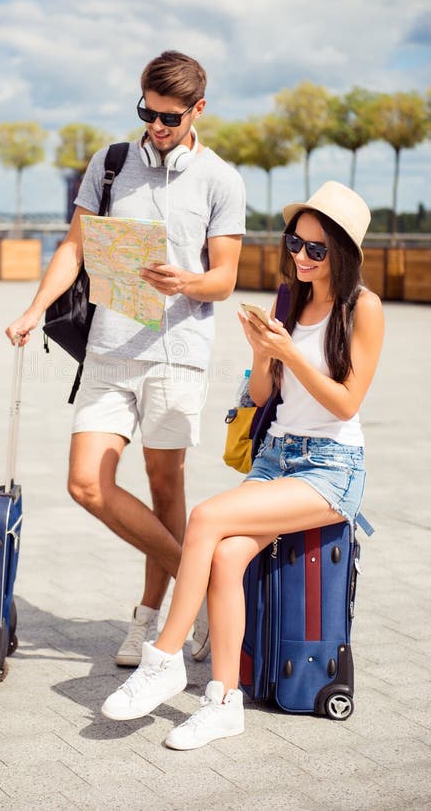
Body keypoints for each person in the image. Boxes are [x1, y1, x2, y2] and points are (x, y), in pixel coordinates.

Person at [101, 180, 384, 749]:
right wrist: (263, 357)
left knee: (205, 518)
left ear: (343, 255)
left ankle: (164, 658)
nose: (300, 257)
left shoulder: (364, 308)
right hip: (276, 457)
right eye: (295, 244)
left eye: (316, 250)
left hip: (331, 469)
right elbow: (260, 395)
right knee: (228, 556)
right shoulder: (289, 298)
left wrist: (291, 354)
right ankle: (225, 700)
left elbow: (347, 402)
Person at [5, 50, 246, 667]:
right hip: (110, 350)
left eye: (170, 117)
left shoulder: (221, 178)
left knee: (166, 486)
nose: (157, 127)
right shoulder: (110, 164)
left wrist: (184, 282)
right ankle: (208, 585)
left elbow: (224, 280)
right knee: (87, 482)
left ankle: (149, 619)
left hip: (177, 353)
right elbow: (75, 247)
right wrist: (35, 310)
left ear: (198, 110)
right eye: (148, 112)